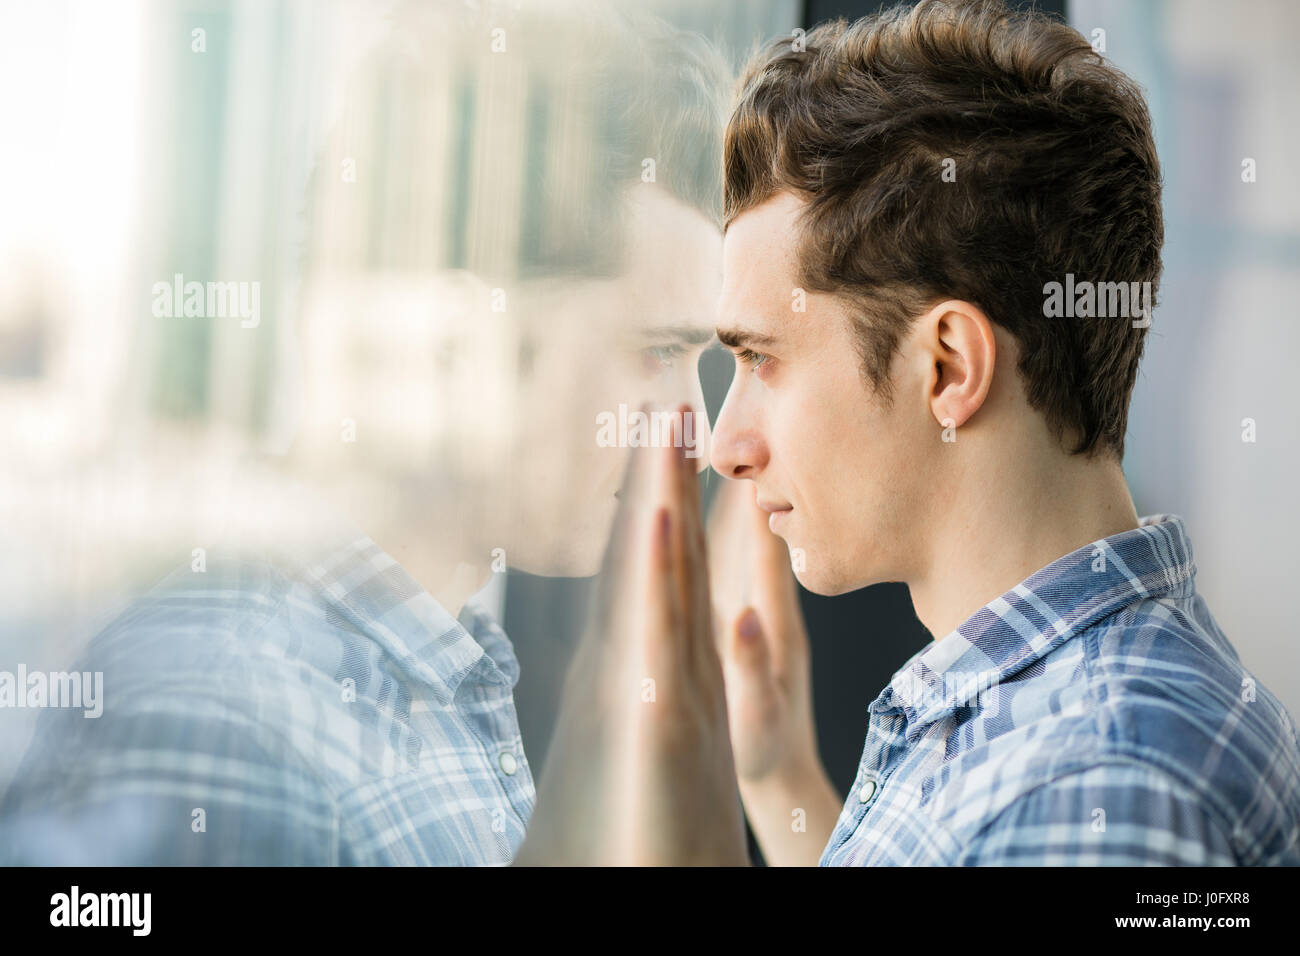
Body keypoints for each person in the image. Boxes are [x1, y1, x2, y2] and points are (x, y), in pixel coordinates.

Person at [521, 0, 1300, 866]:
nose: (724, 443)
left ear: (948, 369)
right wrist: (777, 777)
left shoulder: (1095, 785)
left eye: (763, 360)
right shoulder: (1035, 706)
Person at [0, 1, 726, 865]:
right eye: (656, 352)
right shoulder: (220, 719)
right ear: (469, 335)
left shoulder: (447, 676)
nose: (703, 435)